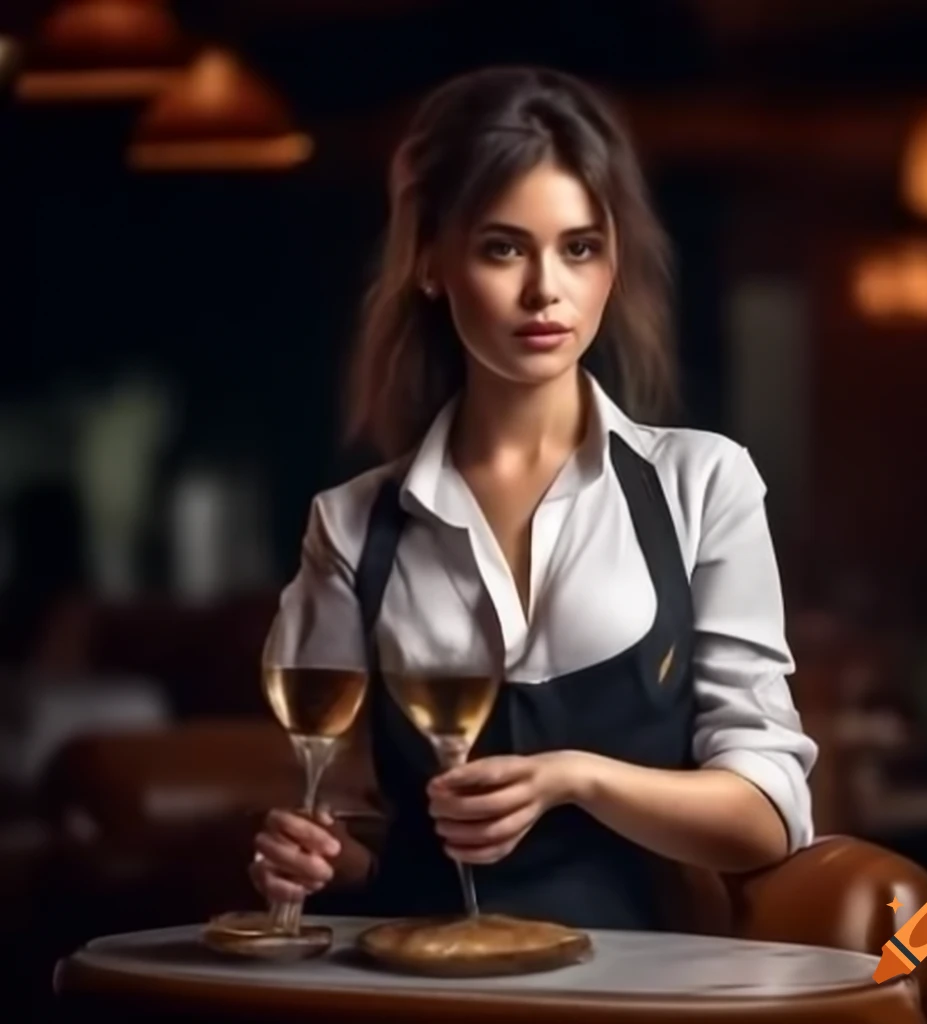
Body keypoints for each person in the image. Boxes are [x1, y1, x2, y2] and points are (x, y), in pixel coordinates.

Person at [251, 65, 818, 930]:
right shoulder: (353, 524)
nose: (545, 289)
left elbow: (770, 816)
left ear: (612, 263)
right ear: (432, 263)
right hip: (421, 982)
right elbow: (365, 825)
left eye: (579, 247)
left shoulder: (703, 484)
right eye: (503, 247)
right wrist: (320, 856)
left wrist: (573, 778)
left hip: (645, 981)